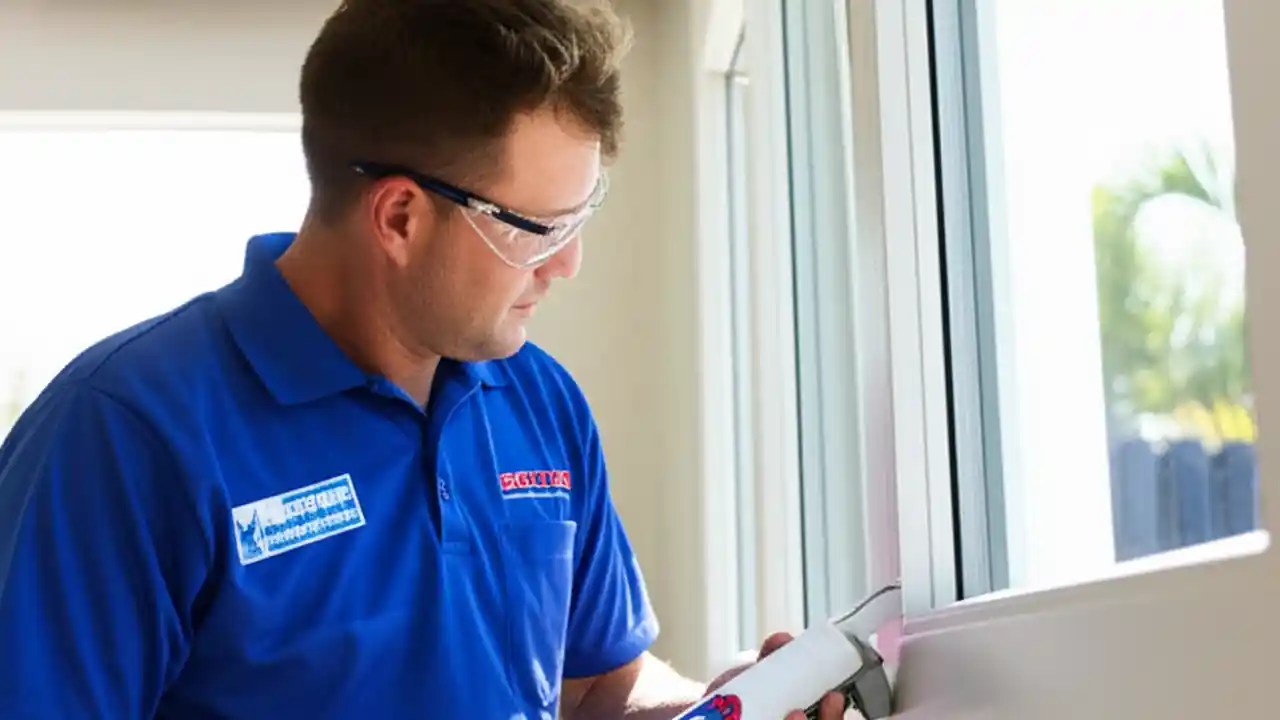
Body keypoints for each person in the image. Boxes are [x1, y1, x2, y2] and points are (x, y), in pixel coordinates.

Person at [0, 1, 849, 718]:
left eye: (580, 217)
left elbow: (591, 686)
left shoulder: (539, 401)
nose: (566, 265)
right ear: (400, 217)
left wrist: (720, 705)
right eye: (535, 228)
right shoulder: (125, 433)